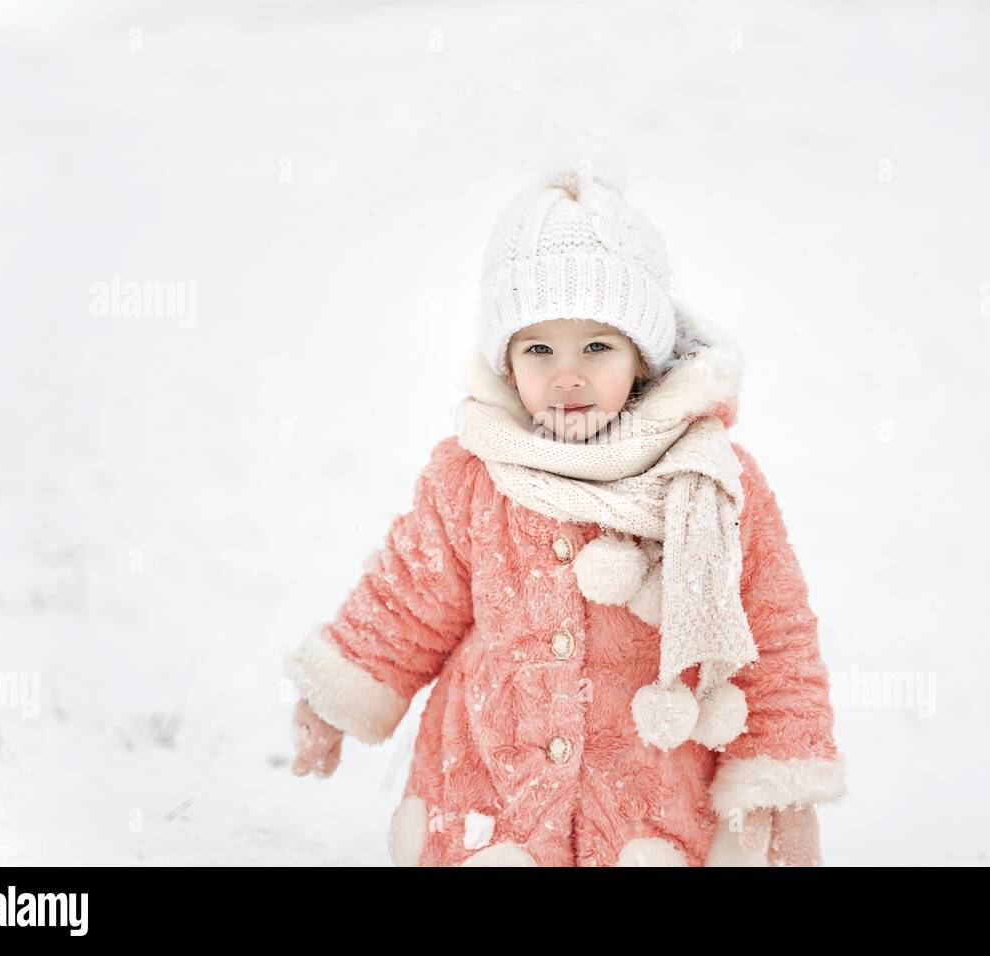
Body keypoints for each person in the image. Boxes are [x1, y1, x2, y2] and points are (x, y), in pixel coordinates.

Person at [285, 141, 846, 866]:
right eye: (539, 350)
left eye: (598, 347)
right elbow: (407, 597)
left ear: (642, 355)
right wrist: (335, 696)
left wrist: (781, 783)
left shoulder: (710, 482)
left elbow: (774, 638)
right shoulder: (473, 475)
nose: (567, 376)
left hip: (650, 808)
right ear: (506, 359)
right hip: (491, 798)